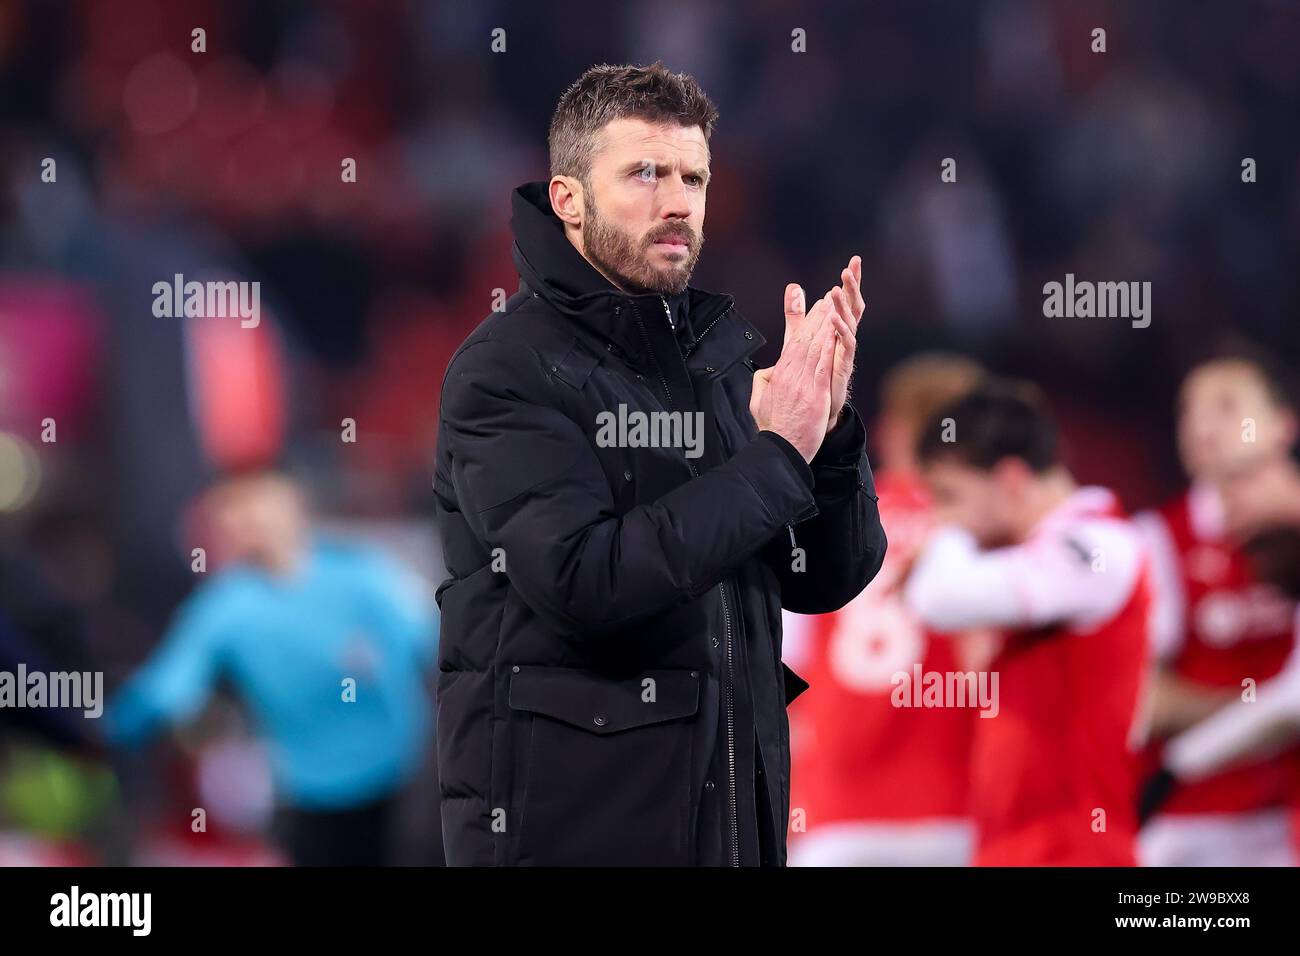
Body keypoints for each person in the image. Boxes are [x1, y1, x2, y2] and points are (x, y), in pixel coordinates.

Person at [433, 62, 886, 867]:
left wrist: (827, 428)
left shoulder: (714, 362)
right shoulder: (505, 369)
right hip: (572, 841)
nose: (678, 201)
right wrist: (777, 454)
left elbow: (823, 577)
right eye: (644, 172)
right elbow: (585, 581)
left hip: (730, 836)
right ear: (568, 198)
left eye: (693, 176)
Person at [106, 468, 437, 866]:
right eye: (236, 513)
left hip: (400, 777)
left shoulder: (363, 574)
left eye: (259, 506)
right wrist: (100, 729)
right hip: (307, 793)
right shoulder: (226, 605)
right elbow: (170, 685)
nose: (251, 522)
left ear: (294, 506)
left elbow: (433, 642)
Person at [904, 381, 1151, 866]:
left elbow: (936, 597)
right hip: (1017, 847)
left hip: (1072, 850)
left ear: (1012, 479)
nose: (942, 515)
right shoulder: (1034, 556)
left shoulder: (1099, 546)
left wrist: (945, 538)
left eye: (950, 496)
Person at [785, 353, 984, 866]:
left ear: (893, 432)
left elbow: (781, 670)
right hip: (955, 805)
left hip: (837, 811)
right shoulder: (981, 529)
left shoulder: (828, 522)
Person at [1133, 355, 1299, 866]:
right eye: (1190, 410)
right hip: (1189, 825)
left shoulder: (1283, 536)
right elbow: (1142, 703)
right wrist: (1265, 712)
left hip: (1284, 817)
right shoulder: (1155, 539)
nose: (1204, 426)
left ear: (1283, 425)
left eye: (1226, 406)